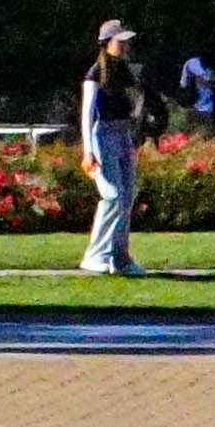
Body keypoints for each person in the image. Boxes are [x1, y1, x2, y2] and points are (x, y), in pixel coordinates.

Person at [77, 19, 148, 277]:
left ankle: (121, 257)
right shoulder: (95, 73)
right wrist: (88, 151)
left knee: (126, 197)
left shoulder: (123, 71)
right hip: (103, 136)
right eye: (120, 41)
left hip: (122, 134)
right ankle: (96, 255)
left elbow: (137, 97)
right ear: (108, 43)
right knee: (112, 195)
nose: (125, 45)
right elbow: (87, 115)